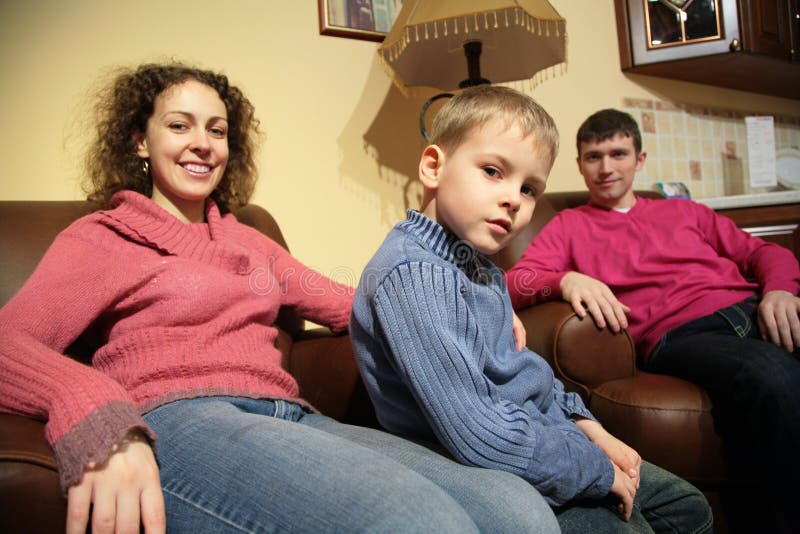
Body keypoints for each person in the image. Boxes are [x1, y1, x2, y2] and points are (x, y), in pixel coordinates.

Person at [0, 62, 562, 533]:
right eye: (180, 125)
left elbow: (360, 301)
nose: (203, 143)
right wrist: (94, 408)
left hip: (291, 417)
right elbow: (8, 344)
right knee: (418, 521)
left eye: (218, 130)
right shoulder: (104, 237)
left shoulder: (250, 241)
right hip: (182, 419)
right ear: (140, 140)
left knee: (516, 510)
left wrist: (478, 301)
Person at [350, 86, 712, 533]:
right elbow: (478, 431)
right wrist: (595, 468)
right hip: (492, 465)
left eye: (529, 188)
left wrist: (587, 427)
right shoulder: (415, 274)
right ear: (433, 167)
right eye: (492, 171)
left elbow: (524, 376)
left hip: (548, 441)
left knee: (688, 508)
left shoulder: (481, 267)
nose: (513, 199)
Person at [505, 108, 800, 532]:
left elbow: (762, 253)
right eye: (593, 157)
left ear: (639, 160)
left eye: (618, 153)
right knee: (771, 373)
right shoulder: (570, 224)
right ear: (580, 165)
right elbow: (516, 279)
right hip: (681, 334)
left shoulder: (685, 212)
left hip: (753, 308)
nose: (606, 168)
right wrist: (565, 279)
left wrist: (779, 290)